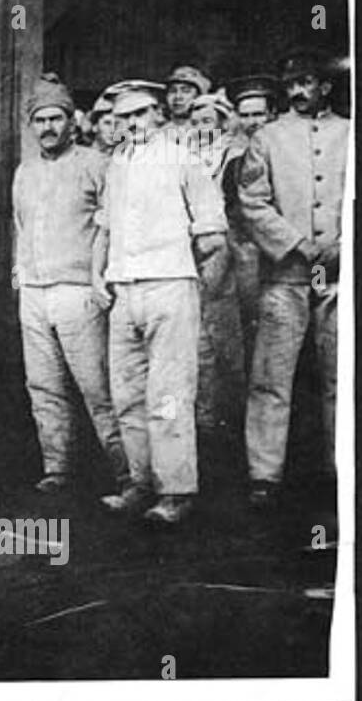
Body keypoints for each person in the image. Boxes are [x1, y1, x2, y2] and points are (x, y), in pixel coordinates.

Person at [95, 80, 227, 525]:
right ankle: (139, 482)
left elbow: (211, 231)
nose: (131, 123)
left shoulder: (182, 157)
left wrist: (186, 273)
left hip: (169, 286)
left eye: (139, 114)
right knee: (127, 393)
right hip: (124, 289)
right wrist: (101, 277)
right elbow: (107, 228)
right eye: (123, 116)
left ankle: (176, 490)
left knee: (168, 393)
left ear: (157, 114)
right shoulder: (116, 164)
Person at [238, 50, 348, 507]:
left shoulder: (352, 133)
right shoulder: (268, 137)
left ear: (325, 86)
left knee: (339, 375)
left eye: (307, 82)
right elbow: (252, 199)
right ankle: (264, 474)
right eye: (292, 84)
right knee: (271, 376)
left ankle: (340, 465)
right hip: (286, 273)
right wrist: (297, 243)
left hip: (338, 272)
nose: (299, 92)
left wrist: (343, 244)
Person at [13, 76, 128, 495]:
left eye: (56, 118)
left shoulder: (95, 163)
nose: (47, 127)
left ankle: (127, 474)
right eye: (40, 120)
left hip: (78, 292)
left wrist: (100, 281)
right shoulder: (24, 172)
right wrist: (21, 279)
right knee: (43, 386)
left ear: (71, 122)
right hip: (35, 291)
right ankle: (57, 468)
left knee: (98, 388)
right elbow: (20, 229)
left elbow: (112, 225)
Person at [186, 90, 247, 455]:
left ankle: (232, 423)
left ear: (222, 123)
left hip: (234, 253)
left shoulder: (235, 156)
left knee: (229, 340)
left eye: (207, 121)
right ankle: (205, 422)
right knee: (199, 342)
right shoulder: (185, 158)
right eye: (194, 122)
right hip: (194, 253)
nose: (199, 127)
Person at [223, 74, 281, 355]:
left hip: (289, 261)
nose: (252, 121)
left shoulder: (292, 151)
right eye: (244, 115)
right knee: (252, 334)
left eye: (258, 114)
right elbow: (234, 216)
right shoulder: (234, 164)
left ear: (273, 113)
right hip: (250, 263)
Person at [164, 64, 212, 135]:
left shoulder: (208, 133)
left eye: (186, 91)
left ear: (198, 96)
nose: (178, 96)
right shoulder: (157, 134)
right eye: (172, 91)